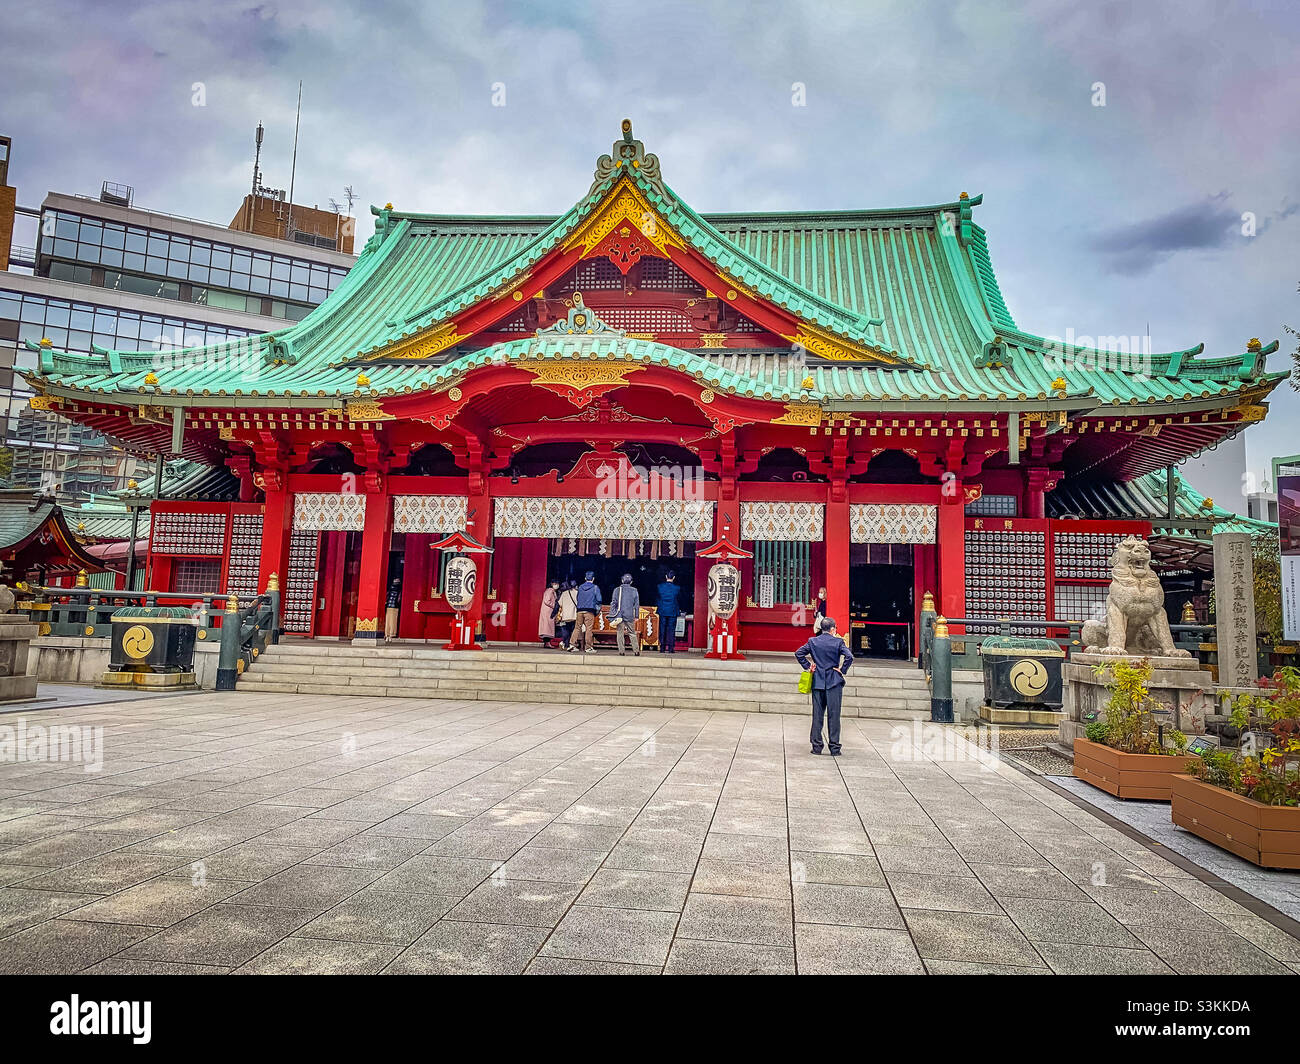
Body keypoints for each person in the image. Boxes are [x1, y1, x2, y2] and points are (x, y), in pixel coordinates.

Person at [795, 616, 854, 756]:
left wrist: (809, 666)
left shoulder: (813, 641)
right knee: (834, 716)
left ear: (822, 628)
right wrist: (842, 669)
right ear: (833, 629)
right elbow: (850, 656)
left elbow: (799, 653)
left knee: (817, 715)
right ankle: (834, 748)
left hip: (818, 681)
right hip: (834, 681)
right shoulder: (838, 642)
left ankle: (816, 746)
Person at [611, 573, 641, 656]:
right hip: (630, 614)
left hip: (619, 614)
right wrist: (637, 616)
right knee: (632, 632)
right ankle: (636, 651)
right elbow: (636, 604)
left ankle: (621, 651)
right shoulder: (634, 590)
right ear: (631, 582)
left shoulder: (617, 590)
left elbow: (613, 603)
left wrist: (613, 614)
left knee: (620, 632)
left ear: (622, 580)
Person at [572, 571, 602, 653]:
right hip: (589, 610)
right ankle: (588, 647)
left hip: (579, 610)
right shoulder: (595, 588)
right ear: (593, 579)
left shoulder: (580, 587)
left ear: (585, 578)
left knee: (577, 627)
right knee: (589, 629)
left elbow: (578, 598)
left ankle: (572, 645)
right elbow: (599, 600)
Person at [656, 570, 681, 654]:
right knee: (671, 629)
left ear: (666, 577)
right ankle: (671, 648)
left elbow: (658, 598)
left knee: (662, 628)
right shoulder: (677, 588)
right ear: (674, 578)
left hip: (663, 609)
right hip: (673, 610)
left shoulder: (660, 587)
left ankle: (662, 648)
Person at [557, 580, 578, 650]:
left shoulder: (564, 593)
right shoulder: (577, 593)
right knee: (573, 631)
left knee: (565, 630)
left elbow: (560, 603)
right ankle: (570, 644)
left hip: (565, 615)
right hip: (573, 615)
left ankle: (564, 643)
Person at [538, 579, 559, 648]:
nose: (557, 585)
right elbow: (547, 601)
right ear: (552, 584)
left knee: (547, 628)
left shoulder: (551, 591)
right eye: (555, 583)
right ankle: (547, 643)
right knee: (547, 628)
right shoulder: (550, 591)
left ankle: (547, 643)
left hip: (548, 611)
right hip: (548, 611)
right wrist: (554, 605)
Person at [384, 577, 403, 641]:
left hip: (389, 605)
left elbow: (387, 596)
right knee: (393, 620)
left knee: (388, 620)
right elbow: (399, 598)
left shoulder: (390, 588)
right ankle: (392, 634)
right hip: (395, 606)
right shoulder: (399, 589)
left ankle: (387, 634)